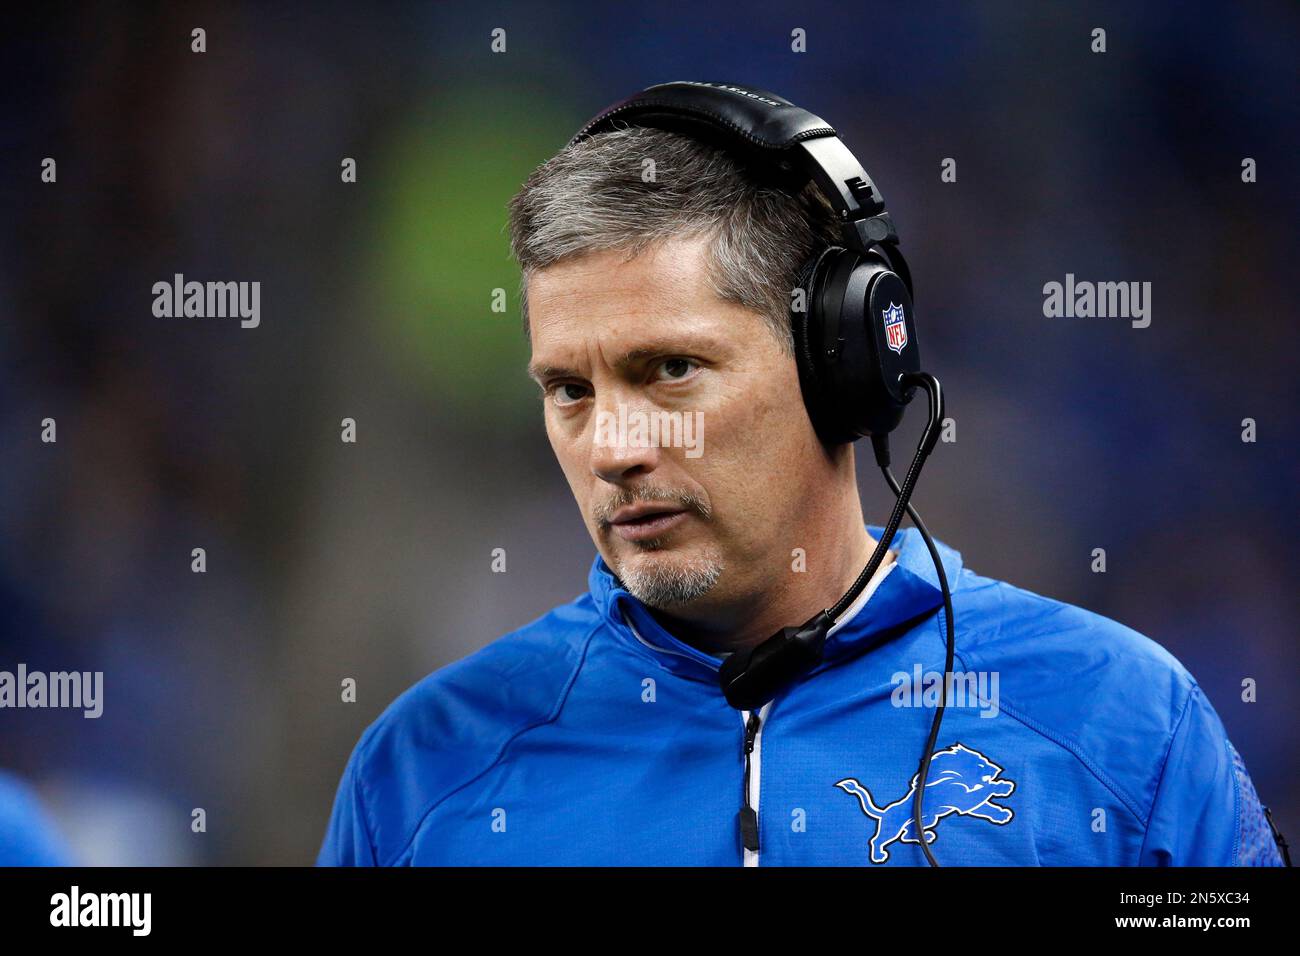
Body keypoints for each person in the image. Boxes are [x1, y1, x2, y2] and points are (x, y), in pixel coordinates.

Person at [318, 82, 1286, 866]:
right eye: (569, 387)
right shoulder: (426, 763)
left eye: (671, 369)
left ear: (842, 361)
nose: (612, 445)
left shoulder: (1117, 713)